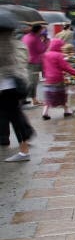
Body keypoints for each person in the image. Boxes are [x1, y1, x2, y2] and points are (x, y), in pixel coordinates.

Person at [1, 10, 35, 162]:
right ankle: (25, 141)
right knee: (14, 114)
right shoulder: (12, 41)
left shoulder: (3, 43)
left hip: (6, 85)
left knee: (14, 116)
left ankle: (24, 149)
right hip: (13, 83)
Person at [40, 38, 75, 120]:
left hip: (48, 79)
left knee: (48, 96)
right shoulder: (59, 55)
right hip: (58, 78)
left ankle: (45, 112)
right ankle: (67, 111)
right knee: (62, 96)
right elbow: (65, 67)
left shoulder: (46, 54)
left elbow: (43, 67)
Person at [21, 24, 49, 105]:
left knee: (28, 80)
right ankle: (33, 99)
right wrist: (44, 42)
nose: (42, 31)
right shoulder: (35, 38)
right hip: (34, 62)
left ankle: (25, 98)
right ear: (38, 30)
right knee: (33, 81)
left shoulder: (25, 36)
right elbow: (41, 50)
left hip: (26, 60)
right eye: (41, 30)